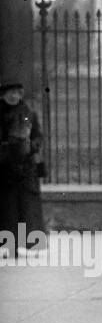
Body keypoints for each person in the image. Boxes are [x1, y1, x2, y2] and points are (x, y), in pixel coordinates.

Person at [0, 79, 45, 249]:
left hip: (26, 165)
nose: (14, 96)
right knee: (7, 207)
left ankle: (30, 243)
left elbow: (37, 135)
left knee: (28, 206)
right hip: (4, 166)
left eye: (17, 92)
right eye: (10, 93)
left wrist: (32, 146)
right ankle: (7, 244)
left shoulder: (28, 113)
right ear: (3, 95)